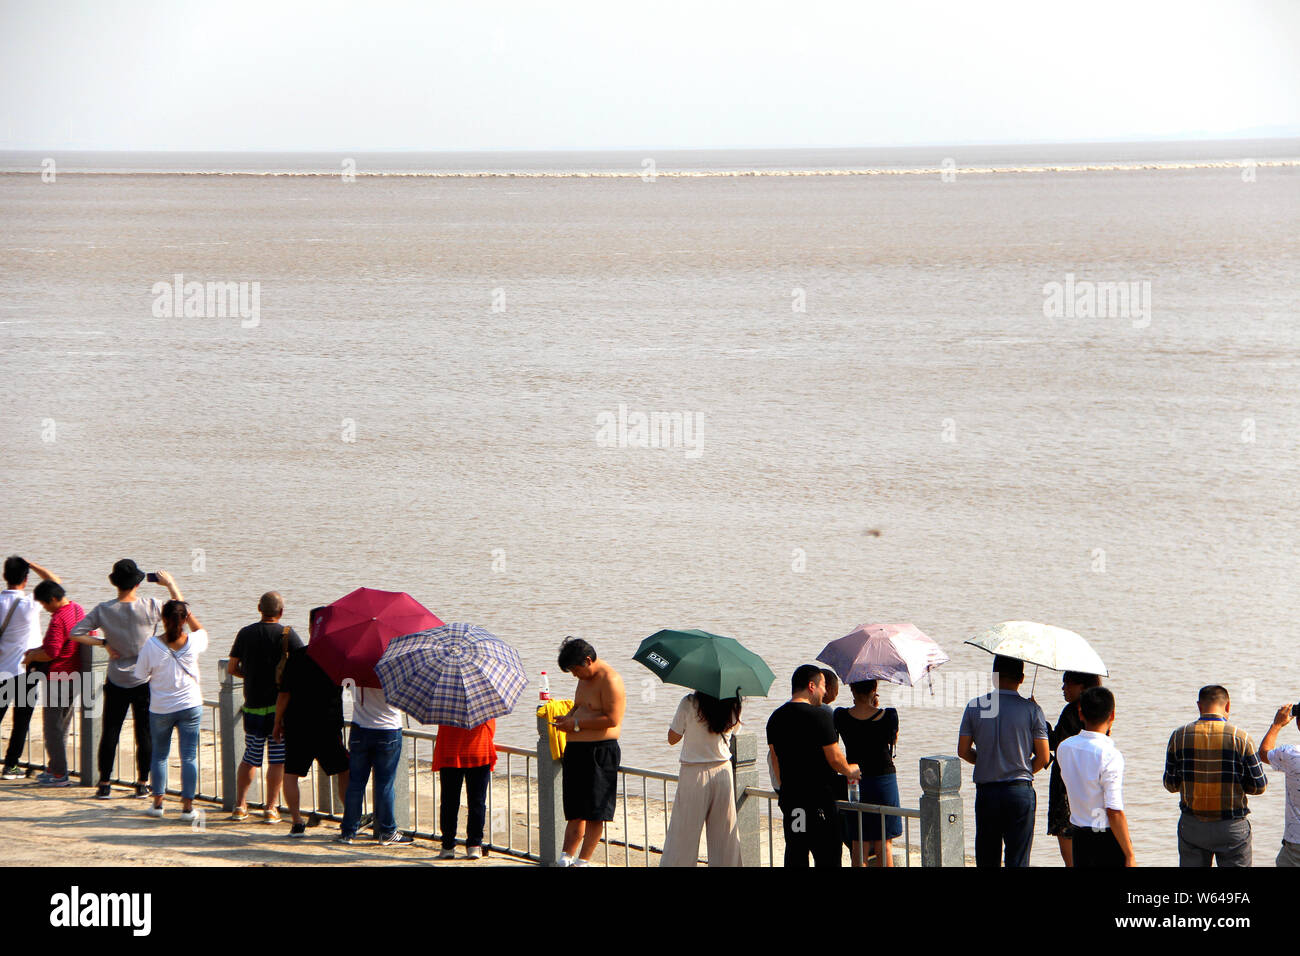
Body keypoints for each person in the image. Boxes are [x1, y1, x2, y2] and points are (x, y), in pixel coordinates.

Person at [69, 559, 185, 798]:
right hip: (145, 679)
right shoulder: (151, 605)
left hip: (116, 678)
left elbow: (75, 633)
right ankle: (142, 783)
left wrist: (103, 643)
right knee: (144, 732)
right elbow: (180, 614)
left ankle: (104, 783)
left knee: (111, 729)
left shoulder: (104, 609)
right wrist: (171, 584)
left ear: (116, 584)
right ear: (138, 583)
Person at [957, 655, 1050, 868]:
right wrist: (1023, 768)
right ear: (1022, 678)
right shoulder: (1033, 710)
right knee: (1017, 860)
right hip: (1019, 792)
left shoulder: (975, 706)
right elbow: (1044, 757)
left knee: (987, 858)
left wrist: (985, 761)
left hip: (987, 792)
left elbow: (963, 751)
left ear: (994, 676)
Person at [766, 664, 861, 868]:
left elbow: (775, 761)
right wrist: (851, 769)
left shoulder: (775, 718)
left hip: (792, 802)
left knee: (796, 852)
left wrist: (787, 790)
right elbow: (835, 758)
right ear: (811, 686)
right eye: (823, 685)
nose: (825, 691)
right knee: (827, 856)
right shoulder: (821, 716)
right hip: (819, 802)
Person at [1163, 685, 1266, 867]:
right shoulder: (1241, 738)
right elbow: (1259, 786)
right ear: (1227, 706)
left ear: (1199, 706)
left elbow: (1170, 784)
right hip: (1232, 827)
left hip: (1192, 825)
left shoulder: (1179, 736)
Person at [227, 592, 303, 823]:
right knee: (277, 760)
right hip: (279, 708)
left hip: (253, 707)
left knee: (250, 757)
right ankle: (270, 809)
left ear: (259, 607)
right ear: (281, 612)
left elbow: (231, 668)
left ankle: (240, 806)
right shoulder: (287, 635)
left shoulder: (245, 633)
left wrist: (248, 674)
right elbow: (303, 665)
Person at [551, 636, 625, 867]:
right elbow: (580, 706)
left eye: (575, 670)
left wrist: (575, 724)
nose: (574, 675)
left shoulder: (610, 680)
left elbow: (612, 719)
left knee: (595, 810)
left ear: (588, 660)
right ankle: (566, 856)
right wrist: (569, 717)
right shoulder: (584, 679)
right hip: (576, 750)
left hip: (599, 751)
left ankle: (583, 860)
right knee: (574, 808)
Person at [132, 599, 206, 821]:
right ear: (184, 619)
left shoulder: (151, 645)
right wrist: (188, 614)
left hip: (161, 708)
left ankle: (158, 804)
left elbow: (140, 675)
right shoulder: (194, 642)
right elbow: (201, 630)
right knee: (189, 756)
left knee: (160, 756)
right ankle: (187, 807)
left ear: (162, 620)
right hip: (190, 705)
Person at [274, 638, 349, 838]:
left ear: (310, 629)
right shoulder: (338, 656)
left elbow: (284, 694)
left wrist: (277, 722)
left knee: (292, 773)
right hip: (327, 724)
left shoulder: (297, 656)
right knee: (344, 769)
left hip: (298, 724)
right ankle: (349, 818)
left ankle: (297, 821)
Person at [660, 691, 743, 867]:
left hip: (694, 772)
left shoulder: (689, 703)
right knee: (725, 837)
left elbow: (672, 738)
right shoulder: (733, 704)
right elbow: (735, 730)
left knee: (683, 836)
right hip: (723, 772)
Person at [1055, 686, 1135, 867]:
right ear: (1112, 715)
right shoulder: (1110, 754)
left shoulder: (1064, 748)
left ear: (1081, 714)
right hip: (1106, 837)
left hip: (1080, 836)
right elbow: (1113, 810)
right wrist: (1129, 854)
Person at [25, 579, 90, 786]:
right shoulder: (78, 610)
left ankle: (60, 774)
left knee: (52, 727)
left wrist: (32, 655)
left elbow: (52, 652)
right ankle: (55, 767)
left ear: (53, 599)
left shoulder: (58, 619)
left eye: (45, 604)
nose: (45, 609)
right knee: (62, 725)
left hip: (58, 679)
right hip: (75, 676)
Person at [0, 556, 60, 779]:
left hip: (2, 671)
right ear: (26, 579)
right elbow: (56, 584)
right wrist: (34, 565)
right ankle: (11, 766)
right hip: (27, 671)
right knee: (21, 721)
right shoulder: (30, 603)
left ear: (4, 577)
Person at [835, 679, 900, 867]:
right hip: (884, 779)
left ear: (852, 688)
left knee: (859, 841)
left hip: (855, 777)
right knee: (884, 841)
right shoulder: (889, 715)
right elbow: (892, 739)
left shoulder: (840, 716)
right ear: (875, 689)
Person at [339, 683, 412, 846]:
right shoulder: (394, 671)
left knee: (356, 783)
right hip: (388, 729)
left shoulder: (357, 669)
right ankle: (387, 831)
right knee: (385, 784)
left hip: (360, 728)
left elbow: (349, 691)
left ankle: (348, 832)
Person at [1047, 671, 1102, 866]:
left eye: (1067, 684)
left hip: (1066, 786)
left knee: (1069, 849)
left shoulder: (1072, 711)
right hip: (1090, 784)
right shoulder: (1097, 713)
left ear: (1082, 686)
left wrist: (1039, 720)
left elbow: (1056, 743)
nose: (1063, 689)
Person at [433, 719, 496, 859]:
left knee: (449, 801)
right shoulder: (483, 701)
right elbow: (491, 728)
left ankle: (447, 846)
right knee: (477, 802)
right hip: (478, 750)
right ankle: (474, 845)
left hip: (449, 750)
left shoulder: (444, 700)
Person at [1259, 703, 1300, 867]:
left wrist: (1276, 725)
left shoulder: (1291, 755)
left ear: (1298, 724)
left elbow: (1263, 753)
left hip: (1296, 844)